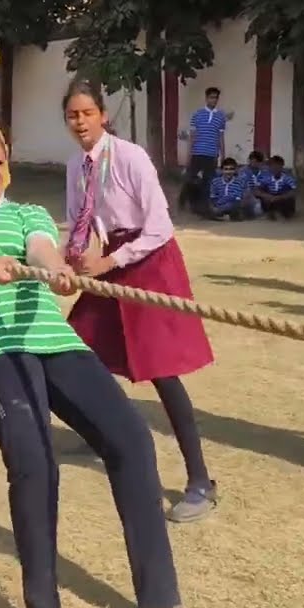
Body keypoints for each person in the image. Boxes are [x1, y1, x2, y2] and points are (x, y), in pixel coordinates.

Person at [0, 124, 220, 608]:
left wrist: (55, 273)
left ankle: (162, 597)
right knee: (35, 462)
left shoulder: (27, 213)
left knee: (131, 439)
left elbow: (42, 249)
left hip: (51, 339)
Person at [61, 79, 219, 523]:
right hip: (109, 260)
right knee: (78, 349)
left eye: (87, 113)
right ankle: (100, 432)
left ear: (102, 115)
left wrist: (109, 262)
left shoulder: (130, 157)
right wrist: (71, 261)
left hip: (148, 260)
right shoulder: (76, 166)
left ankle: (200, 481)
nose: (80, 122)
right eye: (72, 115)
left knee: (161, 371)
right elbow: (77, 221)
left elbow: (160, 228)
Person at [182, 86, 226, 210]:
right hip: (197, 152)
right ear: (206, 98)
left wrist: (223, 155)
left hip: (212, 154)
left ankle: (203, 207)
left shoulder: (221, 116)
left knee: (208, 181)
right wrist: (188, 154)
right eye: (211, 97)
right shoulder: (197, 114)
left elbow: (220, 137)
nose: (214, 100)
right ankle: (188, 204)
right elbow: (192, 136)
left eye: (216, 98)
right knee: (191, 179)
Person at [253, 155, 298, 219]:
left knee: (289, 199)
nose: (275, 168)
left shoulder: (287, 178)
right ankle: (270, 213)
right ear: (270, 167)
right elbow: (256, 191)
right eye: (273, 166)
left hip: (283, 201)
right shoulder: (266, 178)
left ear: (282, 167)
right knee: (263, 198)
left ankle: (284, 214)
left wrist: (280, 197)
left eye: (278, 166)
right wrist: (267, 196)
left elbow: (294, 191)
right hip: (271, 200)